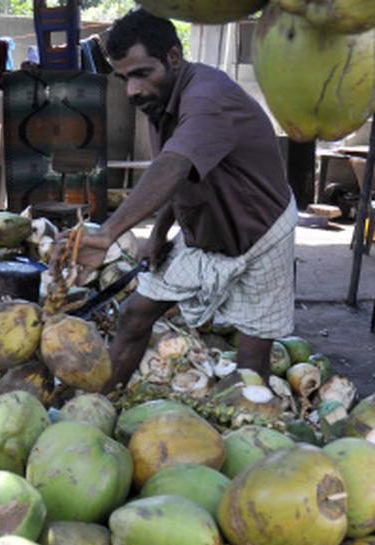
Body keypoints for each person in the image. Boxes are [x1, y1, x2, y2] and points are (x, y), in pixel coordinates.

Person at [63, 8, 297, 393]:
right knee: (134, 315)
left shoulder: (209, 98)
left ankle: (250, 434)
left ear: (174, 57)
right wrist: (158, 232)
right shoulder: (160, 101)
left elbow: (174, 164)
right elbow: (182, 178)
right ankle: (100, 404)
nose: (132, 91)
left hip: (262, 236)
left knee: (252, 363)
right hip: (205, 233)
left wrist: (107, 233)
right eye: (123, 78)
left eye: (141, 74)